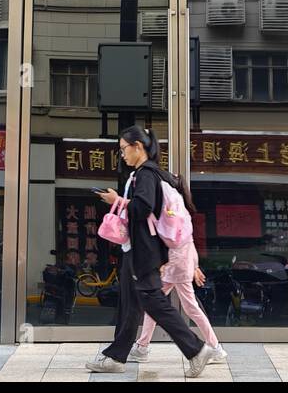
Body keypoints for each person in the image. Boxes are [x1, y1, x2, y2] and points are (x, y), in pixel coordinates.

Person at [86, 126, 217, 377]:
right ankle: (116, 356)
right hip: (135, 250)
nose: (122, 154)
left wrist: (117, 202)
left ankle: (197, 350)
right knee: (128, 303)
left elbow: (143, 209)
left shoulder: (146, 174)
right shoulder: (149, 173)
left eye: (124, 149)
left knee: (153, 302)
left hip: (142, 252)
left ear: (138, 147)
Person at [129, 169, 225, 364]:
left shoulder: (170, 208)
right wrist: (194, 266)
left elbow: (172, 239)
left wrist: (164, 263)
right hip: (180, 264)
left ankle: (215, 347)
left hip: (174, 266)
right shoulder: (179, 207)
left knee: (180, 307)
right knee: (168, 306)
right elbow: (188, 240)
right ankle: (142, 346)